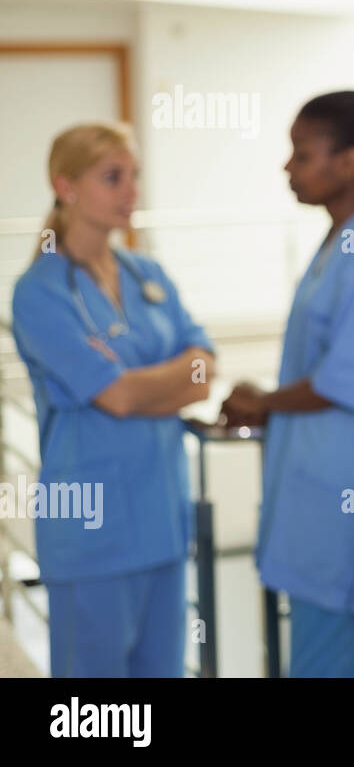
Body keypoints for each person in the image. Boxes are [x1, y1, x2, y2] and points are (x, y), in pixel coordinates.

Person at [220, 91, 354, 678]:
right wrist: (268, 399)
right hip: (320, 505)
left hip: (346, 511)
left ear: (350, 161)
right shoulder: (339, 241)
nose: (288, 167)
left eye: (301, 153)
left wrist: (263, 402)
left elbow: (353, 376)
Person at [10, 122, 215, 677]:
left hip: (161, 526)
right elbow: (118, 398)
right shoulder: (39, 292)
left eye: (135, 176)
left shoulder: (148, 274)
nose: (132, 191)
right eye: (113, 177)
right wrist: (155, 384)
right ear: (67, 186)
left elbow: (203, 374)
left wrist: (130, 381)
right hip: (91, 537)